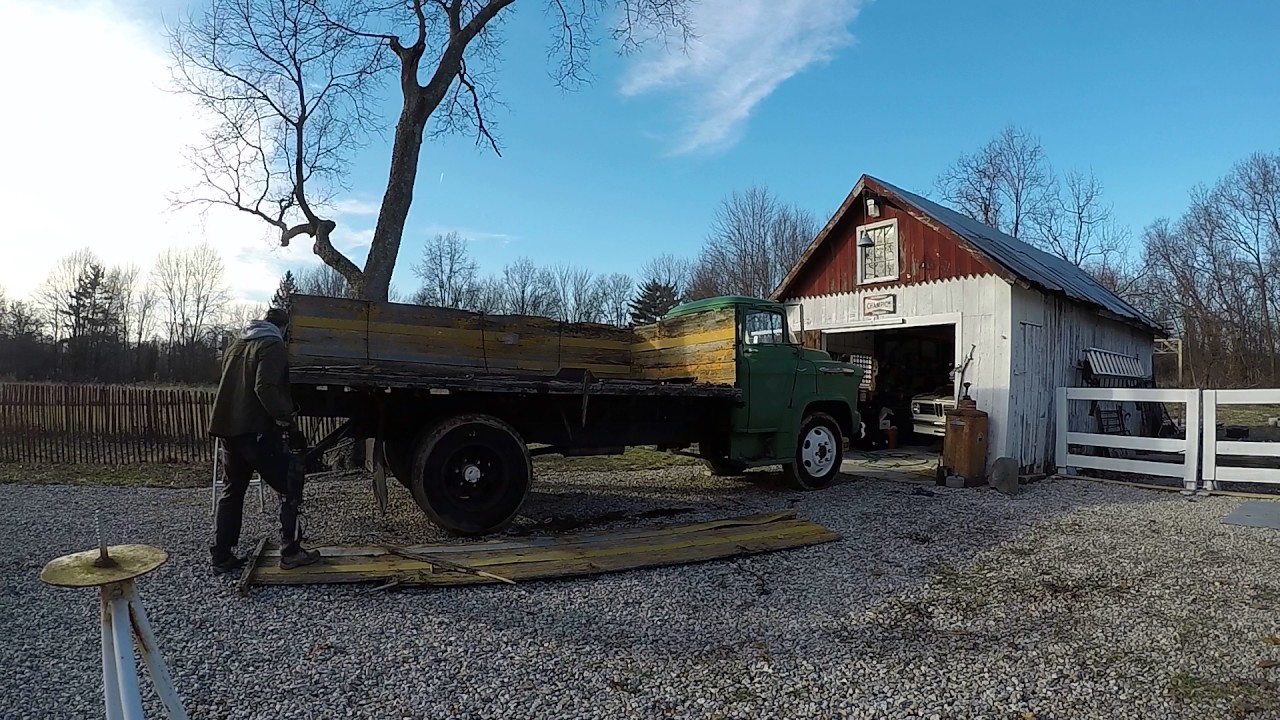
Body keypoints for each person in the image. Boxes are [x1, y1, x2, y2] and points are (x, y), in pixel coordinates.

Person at [208, 306, 320, 573]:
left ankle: (222, 555)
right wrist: (285, 417)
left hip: (228, 431)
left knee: (233, 492)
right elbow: (264, 387)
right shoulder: (273, 345)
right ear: (283, 328)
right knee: (290, 487)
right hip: (255, 431)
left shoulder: (237, 344)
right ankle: (291, 552)